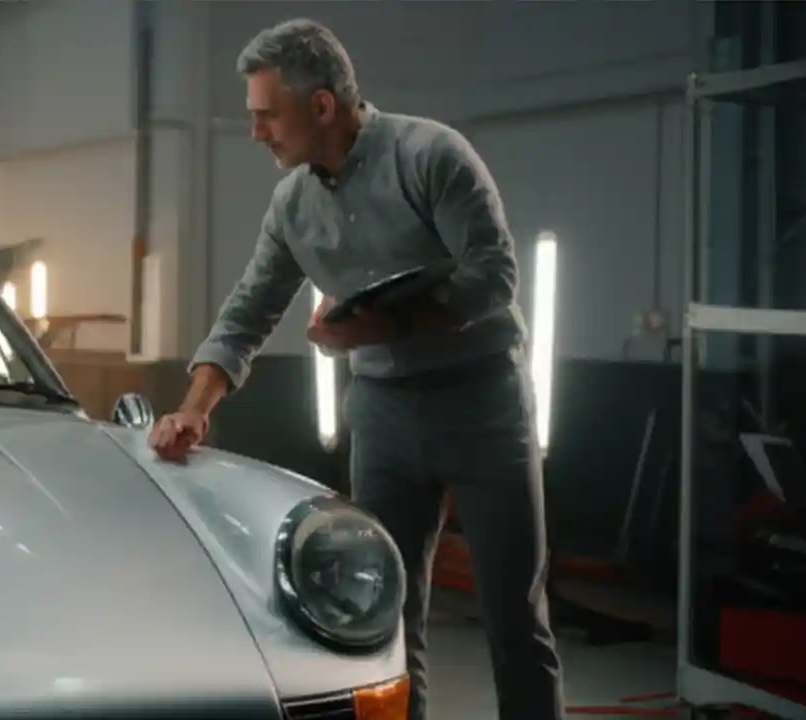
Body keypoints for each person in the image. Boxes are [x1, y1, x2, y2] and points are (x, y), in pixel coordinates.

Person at [147, 17, 566, 720]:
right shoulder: (291, 203)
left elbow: (493, 276)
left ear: (321, 106)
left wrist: (388, 326)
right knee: (384, 622)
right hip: (382, 412)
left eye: (266, 115)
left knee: (515, 617)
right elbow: (248, 310)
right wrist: (195, 407)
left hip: (483, 399)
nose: (255, 132)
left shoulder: (432, 156)